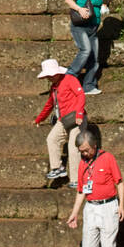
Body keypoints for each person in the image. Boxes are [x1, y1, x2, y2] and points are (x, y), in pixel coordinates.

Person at [66, 125, 124, 247]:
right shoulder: (82, 164)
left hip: (108, 206)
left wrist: (121, 205)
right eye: (81, 151)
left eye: (86, 150)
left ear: (94, 146)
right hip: (91, 207)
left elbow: (119, 182)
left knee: (108, 246)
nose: (84, 154)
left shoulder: (108, 158)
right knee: (89, 246)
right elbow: (81, 190)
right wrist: (74, 213)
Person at [34, 58, 86, 186]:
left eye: (51, 74)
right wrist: (39, 118)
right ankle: (57, 168)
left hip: (76, 118)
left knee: (73, 148)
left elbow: (81, 95)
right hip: (64, 119)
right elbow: (49, 104)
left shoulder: (70, 79)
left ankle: (75, 180)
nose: (50, 77)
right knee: (52, 139)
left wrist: (79, 114)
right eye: (48, 76)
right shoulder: (54, 87)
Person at [65, 0, 110, 97]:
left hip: (93, 27)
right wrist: (79, 9)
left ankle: (89, 86)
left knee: (94, 59)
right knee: (85, 51)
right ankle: (69, 76)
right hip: (80, 27)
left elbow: (104, 1)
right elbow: (68, 0)